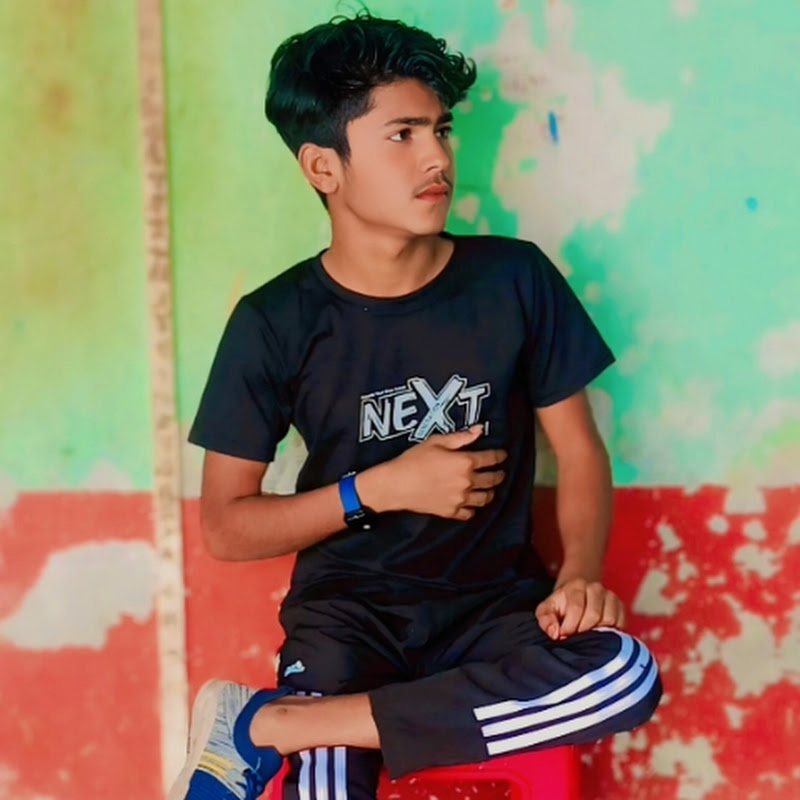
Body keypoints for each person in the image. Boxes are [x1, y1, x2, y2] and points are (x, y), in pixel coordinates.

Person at [168, 11, 662, 800]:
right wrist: (379, 489)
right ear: (323, 167)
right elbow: (226, 527)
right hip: (347, 621)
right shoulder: (274, 322)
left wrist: (580, 576)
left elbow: (578, 450)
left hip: (495, 613)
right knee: (328, 788)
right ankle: (315, 720)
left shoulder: (514, 280)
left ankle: (272, 726)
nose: (437, 158)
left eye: (441, 130)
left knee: (624, 675)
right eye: (401, 134)